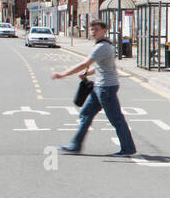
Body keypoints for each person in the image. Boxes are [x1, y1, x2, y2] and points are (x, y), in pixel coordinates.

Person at [52, 19, 137, 156]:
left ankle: (128, 148)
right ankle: (75, 146)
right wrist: (87, 73)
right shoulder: (105, 45)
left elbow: (85, 63)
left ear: (104, 30)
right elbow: (102, 66)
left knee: (116, 119)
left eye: (96, 29)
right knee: (86, 114)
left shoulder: (101, 47)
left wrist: (63, 74)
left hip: (106, 88)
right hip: (100, 87)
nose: (93, 32)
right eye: (91, 29)